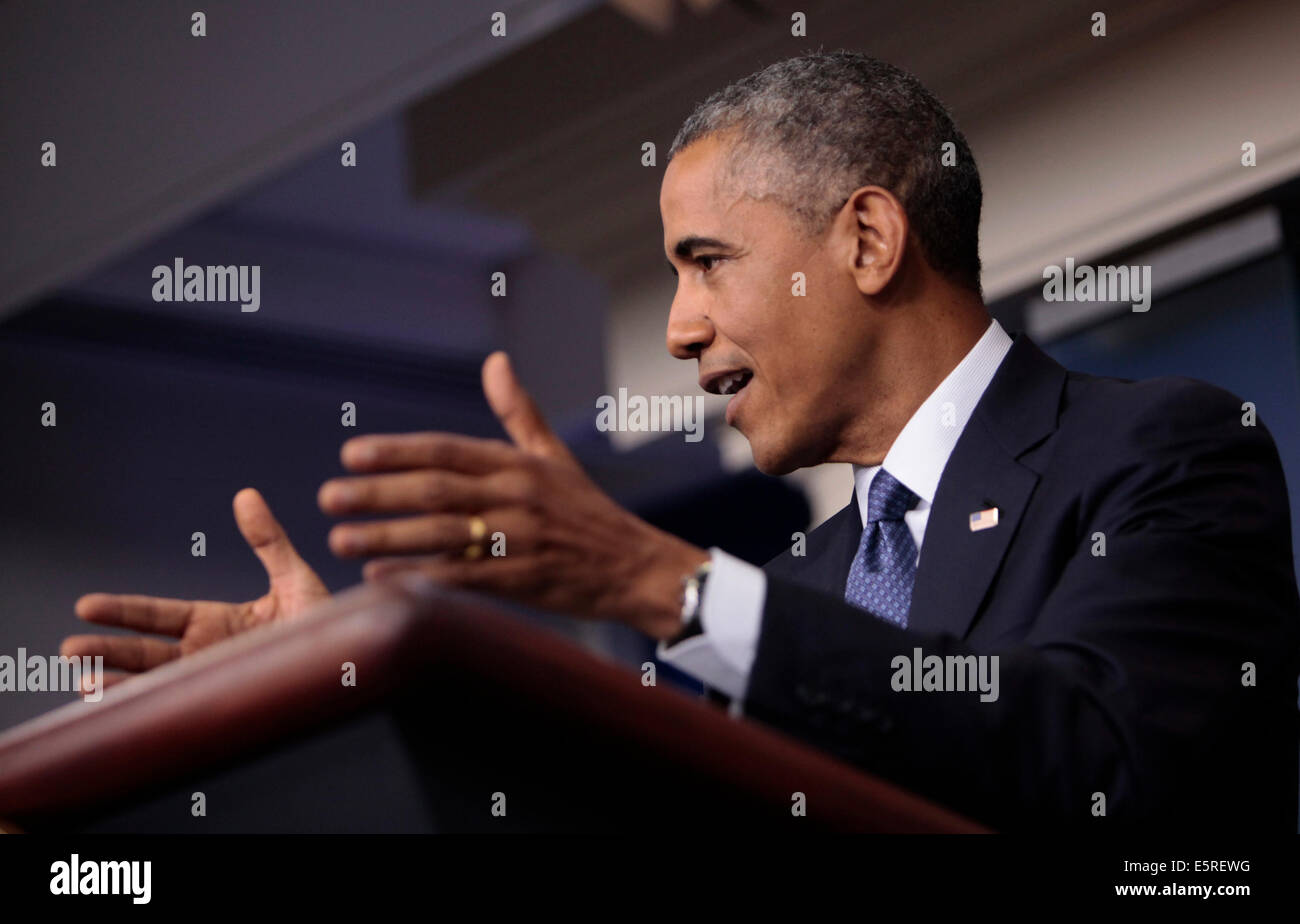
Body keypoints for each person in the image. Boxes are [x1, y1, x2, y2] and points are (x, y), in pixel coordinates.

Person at [63, 51, 1300, 829]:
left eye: (706, 262)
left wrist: (658, 578)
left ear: (865, 243)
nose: (675, 328)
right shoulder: (782, 600)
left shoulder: (1163, 450)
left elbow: (1099, 768)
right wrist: (340, 700)